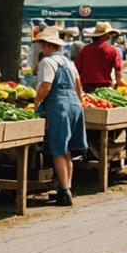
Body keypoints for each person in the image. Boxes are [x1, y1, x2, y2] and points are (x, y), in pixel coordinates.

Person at [33, 27, 87, 206]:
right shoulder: (68, 62)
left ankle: (64, 191)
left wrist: (36, 103)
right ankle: (67, 188)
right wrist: (78, 103)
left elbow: (46, 86)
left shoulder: (47, 62)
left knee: (58, 149)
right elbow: (79, 87)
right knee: (68, 152)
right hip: (74, 106)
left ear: (48, 45)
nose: (41, 48)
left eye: (42, 45)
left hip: (59, 107)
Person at [74, 21, 122, 92]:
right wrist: (117, 85)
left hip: (86, 87)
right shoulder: (113, 50)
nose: (110, 36)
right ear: (105, 35)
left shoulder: (85, 49)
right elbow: (118, 71)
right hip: (105, 88)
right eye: (110, 34)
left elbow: (76, 69)